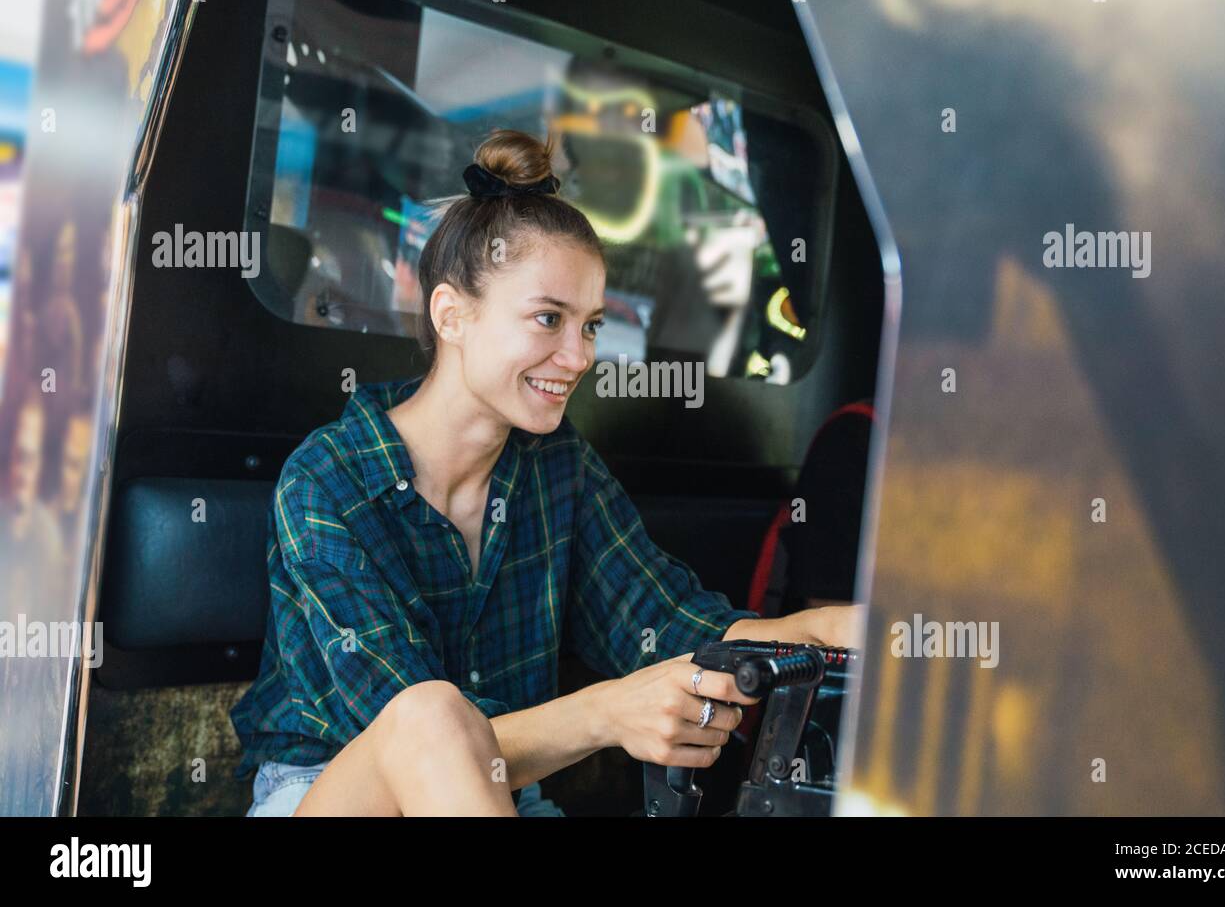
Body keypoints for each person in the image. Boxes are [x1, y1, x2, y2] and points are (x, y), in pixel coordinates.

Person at [229, 129, 861, 816]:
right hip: (329, 792)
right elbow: (417, 740)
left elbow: (673, 624)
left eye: (590, 325)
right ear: (451, 315)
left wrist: (831, 629)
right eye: (548, 318)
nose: (579, 354)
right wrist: (608, 712)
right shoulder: (326, 482)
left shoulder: (558, 467)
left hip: (498, 795)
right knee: (431, 715)